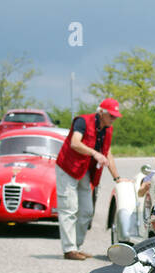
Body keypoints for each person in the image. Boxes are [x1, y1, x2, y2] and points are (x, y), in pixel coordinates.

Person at [54, 98, 126, 260]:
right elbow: (75, 143)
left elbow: (107, 153)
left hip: (84, 170)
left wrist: (117, 178)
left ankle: (77, 247)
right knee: (69, 208)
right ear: (101, 112)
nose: (113, 120)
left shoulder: (107, 129)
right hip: (67, 168)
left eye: (115, 117)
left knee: (87, 211)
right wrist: (94, 153)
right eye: (111, 116)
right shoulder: (82, 122)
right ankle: (69, 249)